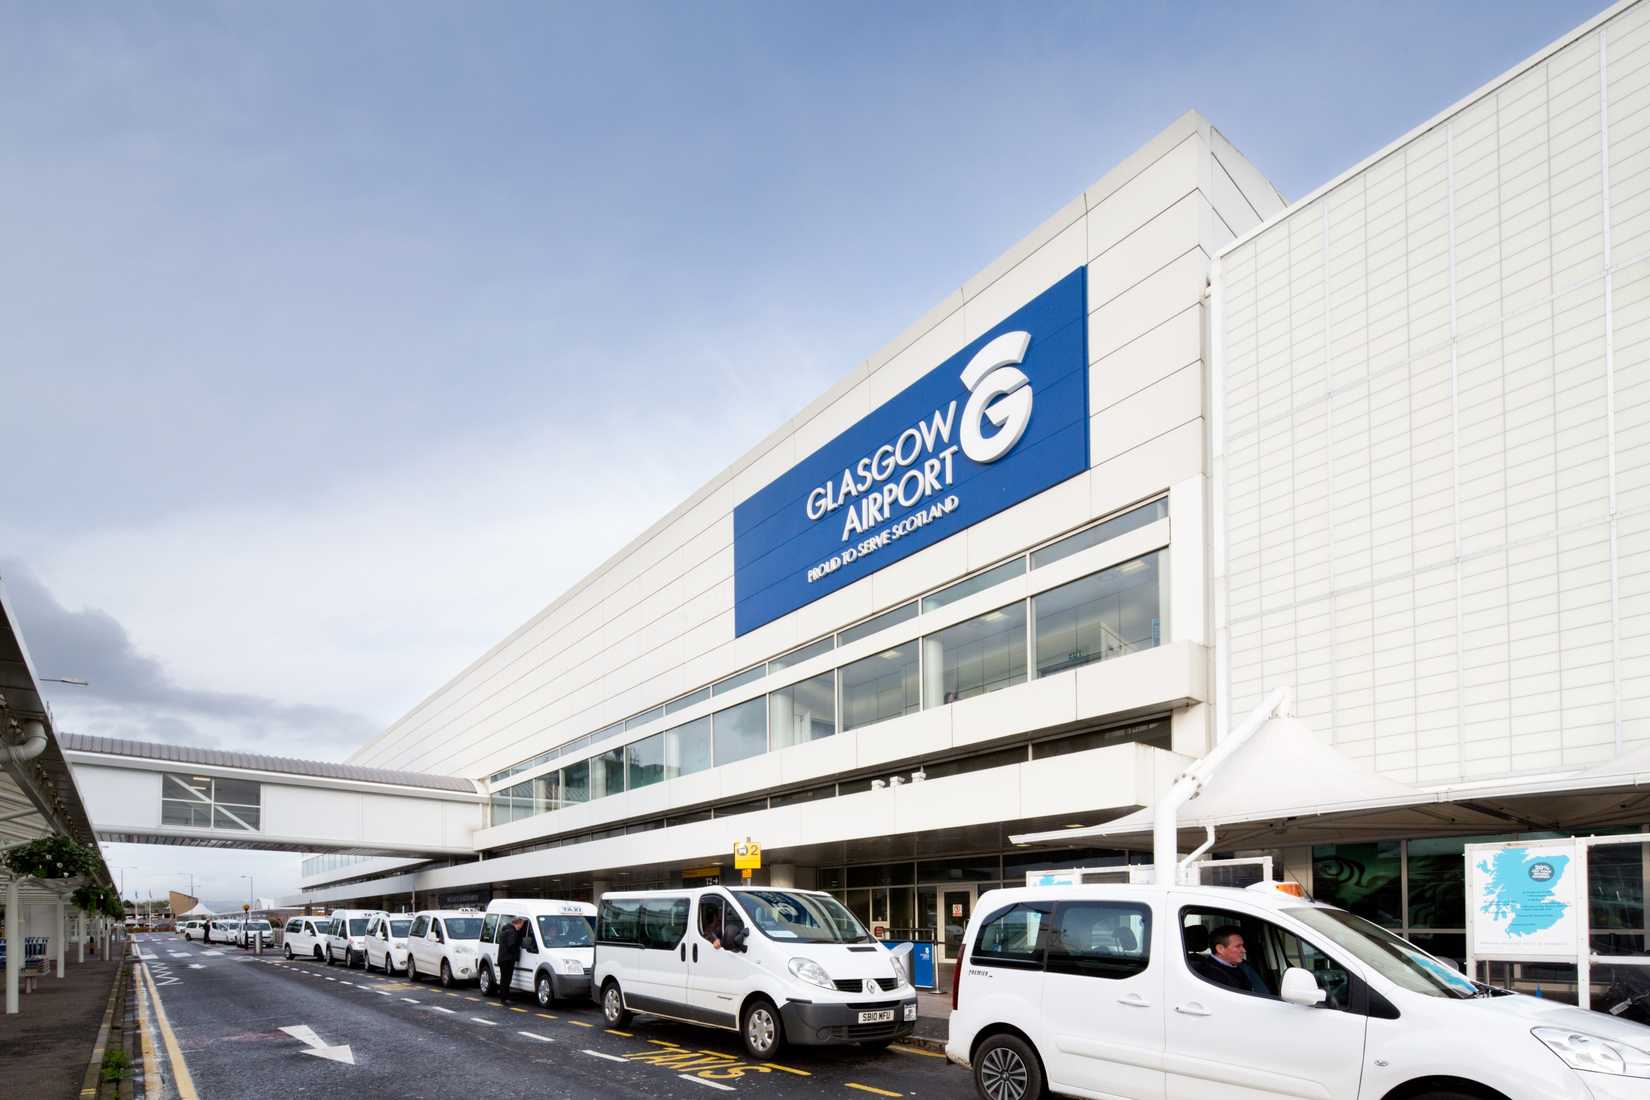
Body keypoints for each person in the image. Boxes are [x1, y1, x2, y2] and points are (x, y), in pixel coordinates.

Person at [1191, 926, 1270, 995]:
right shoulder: (1211, 975)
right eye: (1238, 946)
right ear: (1220, 949)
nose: (1244, 950)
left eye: (1243, 946)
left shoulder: (1240, 966)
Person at [497, 914, 527, 1003]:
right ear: (518, 923)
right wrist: (516, 952)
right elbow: (511, 945)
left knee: (504, 979)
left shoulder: (506, 930)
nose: (522, 927)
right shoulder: (512, 932)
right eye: (522, 925)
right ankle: (504, 998)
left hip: (502, 958)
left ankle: (503, 997)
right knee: (506, 979)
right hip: (508, 959)